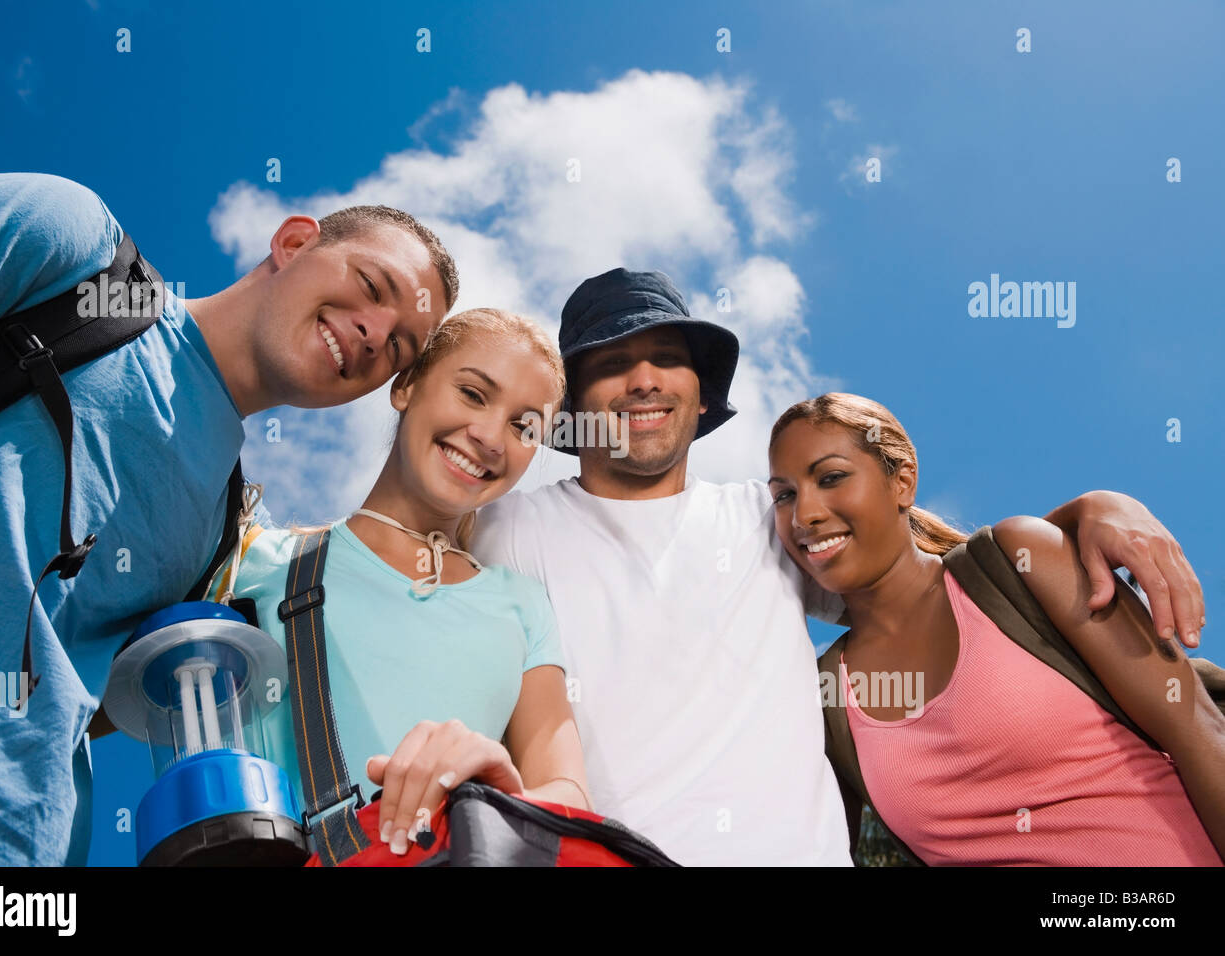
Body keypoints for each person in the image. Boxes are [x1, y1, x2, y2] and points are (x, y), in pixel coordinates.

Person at [469, 267, 1209, 866]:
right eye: (611, 363)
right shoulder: (504, 529)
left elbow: (930, 574)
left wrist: (1097, 507)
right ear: (570, 406)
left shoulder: (767, 519)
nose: (644, 380)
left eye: (668, 357)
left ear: (700, 392)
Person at [0, 172, 457, 865]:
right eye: (372, 285)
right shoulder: (72, 248)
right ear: (294, 243)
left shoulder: (221, 536)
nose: (375, 333)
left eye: (400, 348)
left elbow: (84, 697)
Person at [768, 392, 1222, 866]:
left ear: (902, 481)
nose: (805, 515)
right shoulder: (826, 692)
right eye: (784, 495)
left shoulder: (1016, 562)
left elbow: (1199, 733)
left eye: (832, 477)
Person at [218, 308, 589, 859]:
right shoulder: (257, 562)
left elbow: (569, 798)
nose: (491, 437)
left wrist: (502, 779)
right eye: (472, 393)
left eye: (523, 426)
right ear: (406, 387)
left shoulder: (522, 604)